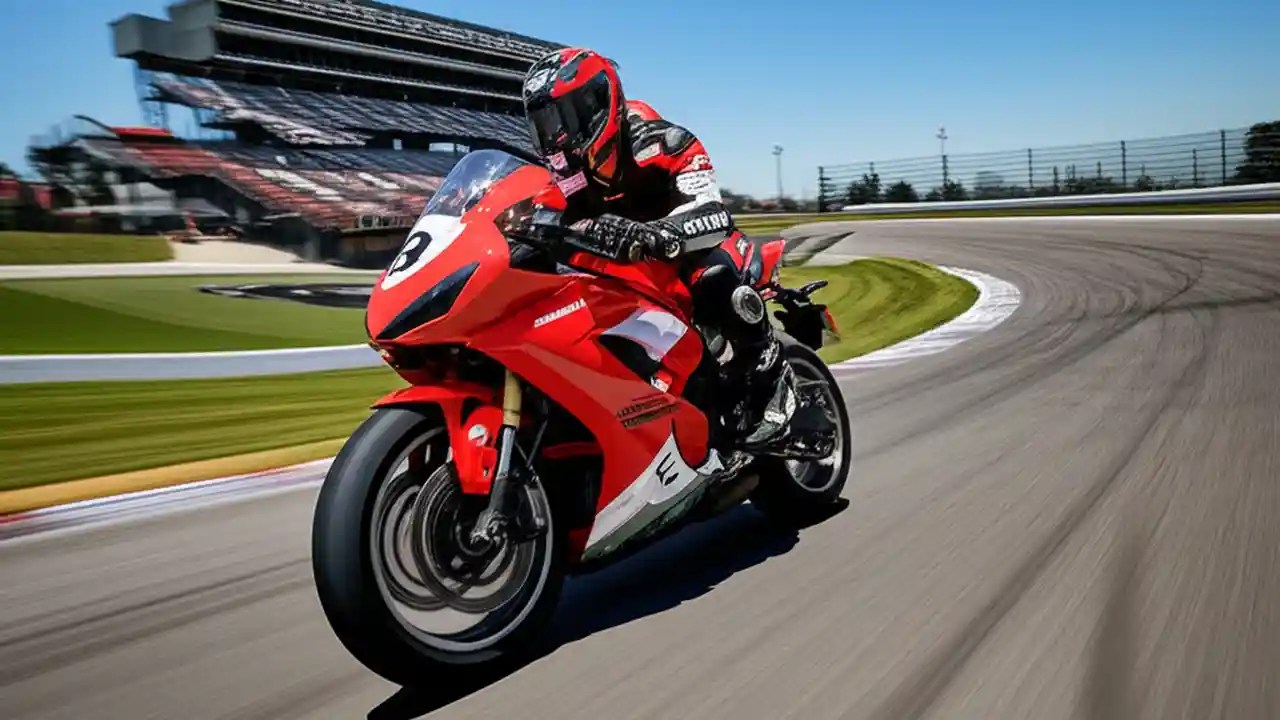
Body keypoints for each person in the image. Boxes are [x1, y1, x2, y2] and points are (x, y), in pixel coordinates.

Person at [520, 47, 832, 454]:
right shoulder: (570, 172)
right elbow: (544, 214)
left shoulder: (663, 142)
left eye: (562, 117)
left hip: (693, 246)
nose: (554, 134)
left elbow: (712, 211)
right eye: (543, 122)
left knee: (716, 281)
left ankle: (771, 384)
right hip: (625, 269)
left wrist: (659, 234)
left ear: (596, 102)